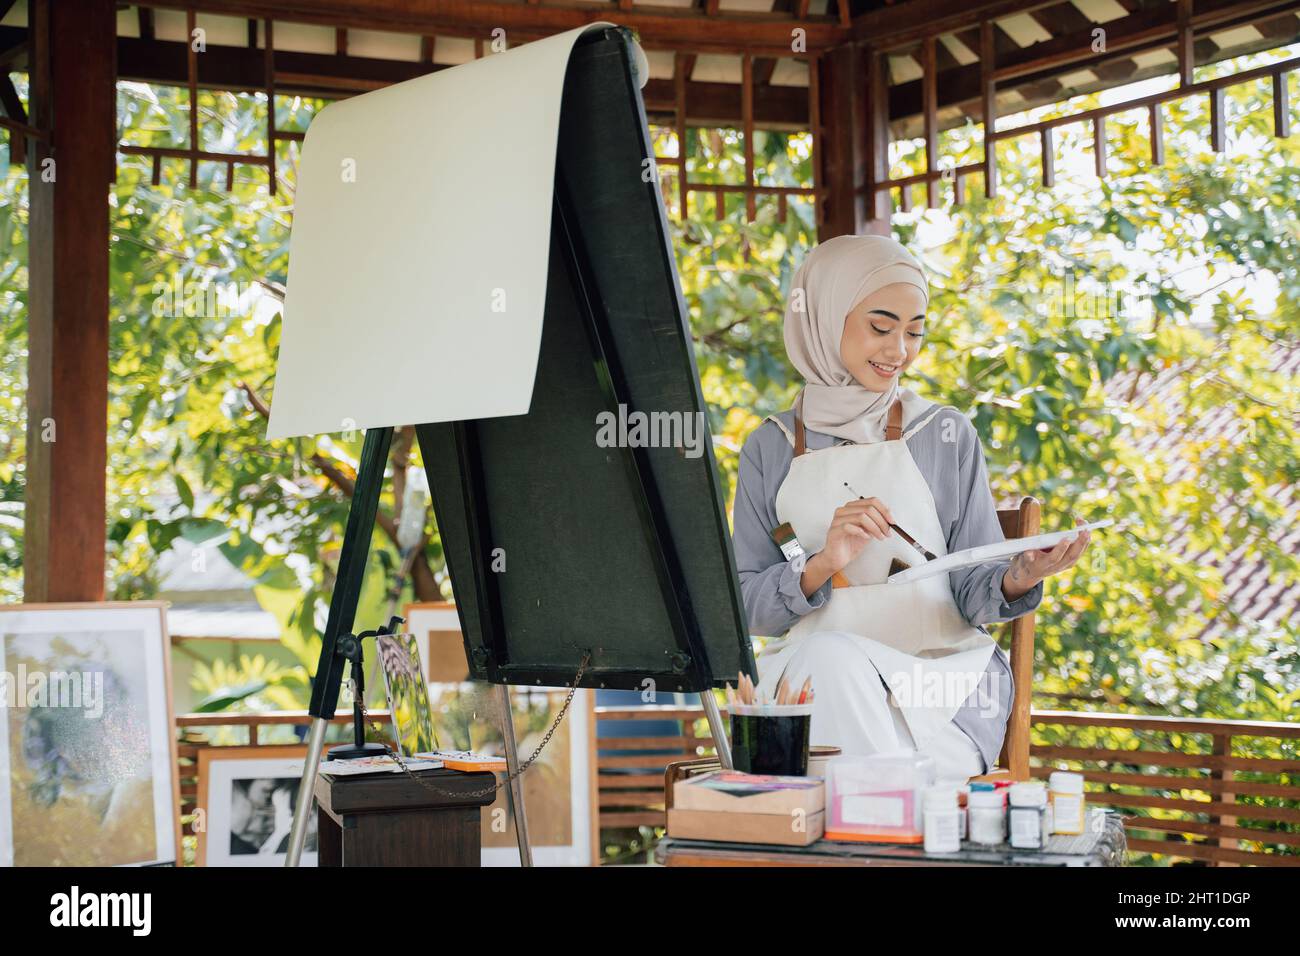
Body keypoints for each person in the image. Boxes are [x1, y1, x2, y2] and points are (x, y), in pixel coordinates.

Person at [732, 235, 1091, 783]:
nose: (899, 349)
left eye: (915, 330)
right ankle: (897, 819)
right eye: (882, 327)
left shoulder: (944, 435)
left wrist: (1019, 577)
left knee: (819, 770)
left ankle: (871, 819)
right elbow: (747, 606)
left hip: (937, 692)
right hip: (814, 685)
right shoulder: (771, 446)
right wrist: (821, 564)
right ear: (824, 318)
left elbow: (974, 588)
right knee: (830, 665)